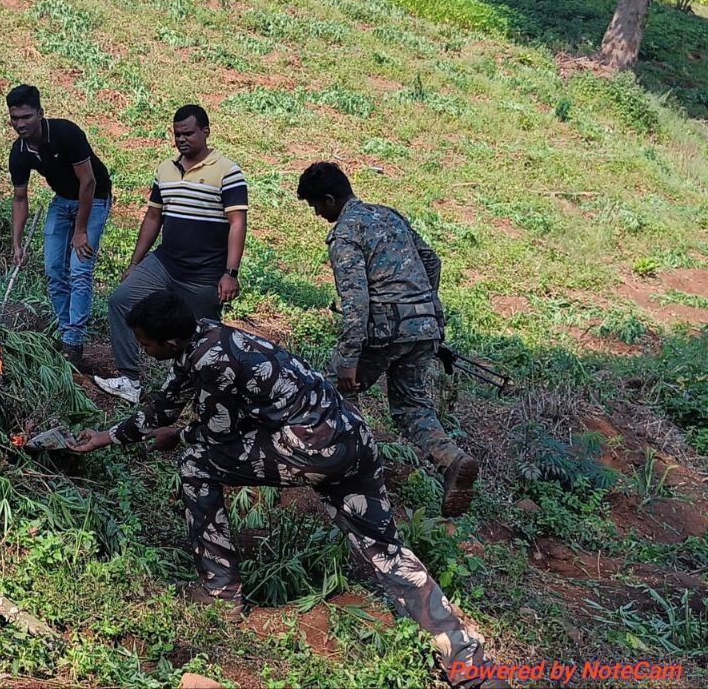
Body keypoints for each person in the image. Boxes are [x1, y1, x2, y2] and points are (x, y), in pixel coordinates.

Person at [72, 291, 506, 689]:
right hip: (352, 437)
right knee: (385, 549)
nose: (142, 350)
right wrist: (109, 435)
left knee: (196, 464)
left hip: (312, 448)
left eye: (145, 344)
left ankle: (221, 591)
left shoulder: (210, 361)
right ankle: (470, 667)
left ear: (168, 343)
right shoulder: (208, 337)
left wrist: (178, 437)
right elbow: (167, 402)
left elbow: (219, 431)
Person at [296, 161, 480, 517]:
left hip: (384, 331)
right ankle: (452, 460)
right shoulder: (388, 216)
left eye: (316, 205)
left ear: (331, 199)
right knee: (412, 407)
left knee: (334, 388)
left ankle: (352, 469)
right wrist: (419, 308)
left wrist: (350, 356)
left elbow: (356, 300)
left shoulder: (347, 233)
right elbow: (432, 260)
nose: (317, 213)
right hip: (424, 327)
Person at [92, 105, 247, 404]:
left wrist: (230, 273)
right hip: (164, 263)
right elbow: (153, 217)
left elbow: (237, 222)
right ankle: (129, 380)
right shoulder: (165, 169)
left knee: (207, 338)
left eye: (188, 133)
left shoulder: (228, 171)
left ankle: (203, 396)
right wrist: (135, 262)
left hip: (204, 274)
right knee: (121, 301)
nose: (182, 139)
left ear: (205, 132)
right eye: (177, 134)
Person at [7, 84, 113, 368]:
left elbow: (88, 182)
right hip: (63, 201)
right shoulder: (19, 152)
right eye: (15, 118)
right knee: (54, 269)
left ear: (40, 114)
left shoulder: (66, 133)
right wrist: (16, 243)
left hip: (93, 199)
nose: (20, 124)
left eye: (26, 117)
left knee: (79, 270)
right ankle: (65, 329)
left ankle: (74, 342)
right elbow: (20, 199)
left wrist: (80, 231)